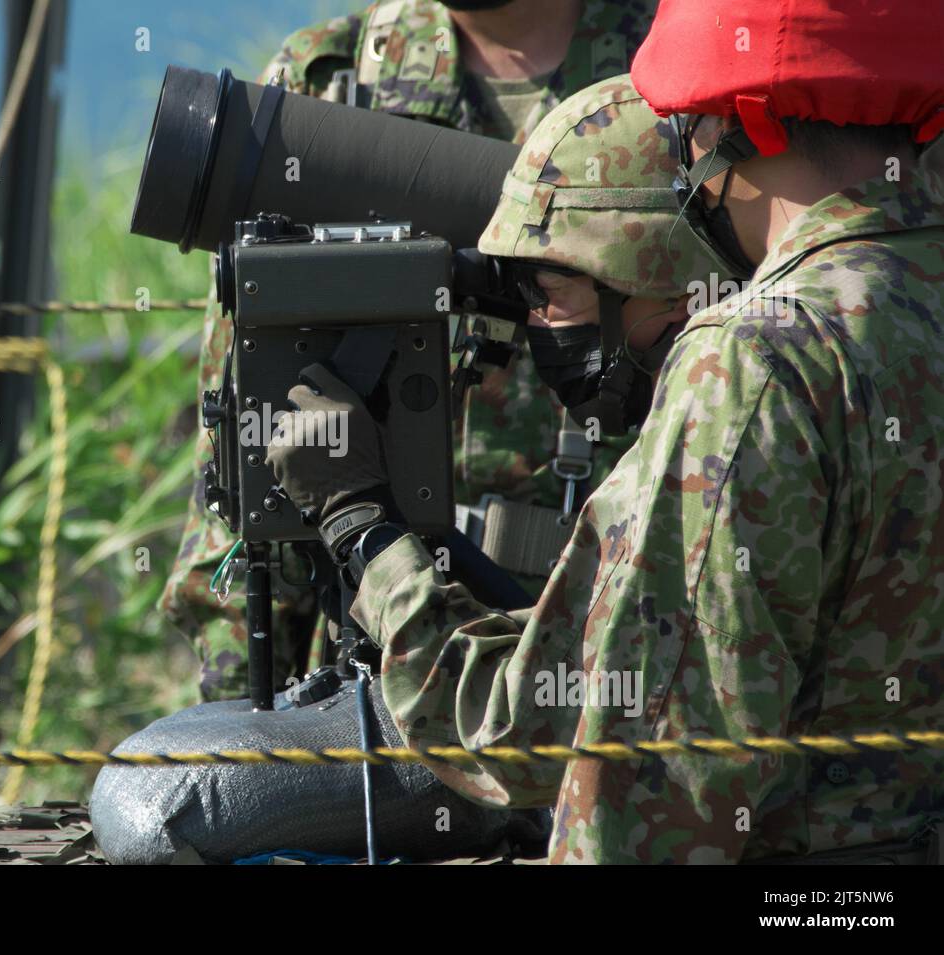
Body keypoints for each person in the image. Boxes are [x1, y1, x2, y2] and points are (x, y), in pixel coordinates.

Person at [269, 0, 944, 864]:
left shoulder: (756, 359)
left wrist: (361, 525)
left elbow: (649, 785)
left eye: (689, 130)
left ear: (741, 126)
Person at [161, 0, 659, 702]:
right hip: (372, 649)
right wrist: (248, 720)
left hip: (620, 649)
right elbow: (248, 454)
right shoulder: (332, 83)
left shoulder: (677, 76)